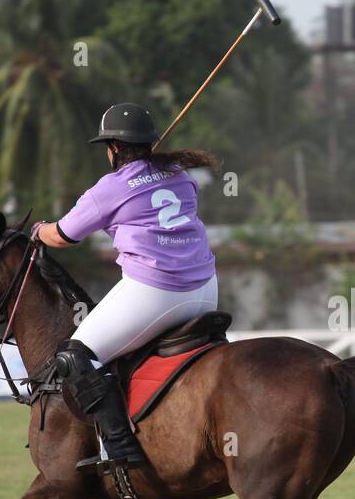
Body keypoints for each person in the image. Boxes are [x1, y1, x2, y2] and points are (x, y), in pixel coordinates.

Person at [30, 102, 219, 472]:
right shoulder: (180, 175)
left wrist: (38, 230)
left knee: (76, 354)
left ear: (113, 148)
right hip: (206, 290)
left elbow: (63, 236)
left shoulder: (109, 189)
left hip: (156, 292)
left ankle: (119, 448)